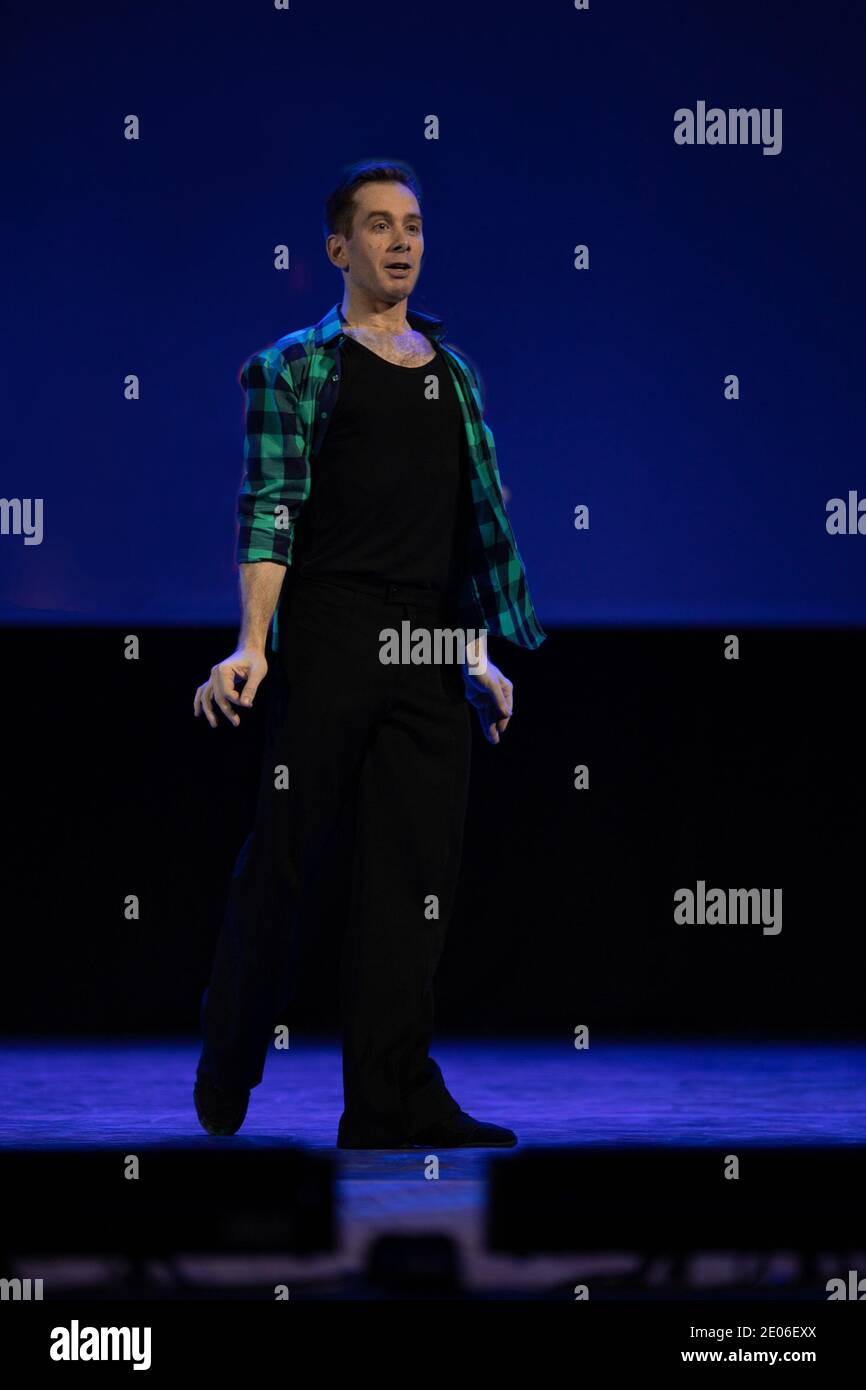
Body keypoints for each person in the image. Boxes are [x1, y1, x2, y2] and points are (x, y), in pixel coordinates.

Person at [192, 158, 546, 1147]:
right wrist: (251, 644)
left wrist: (472, 655)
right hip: (331, 626)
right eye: (378, 226)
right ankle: (229, 1051)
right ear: (336, 247)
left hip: (426, 633)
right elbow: (268, 510)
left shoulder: (455, 373)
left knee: (411, 879)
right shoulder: (295, 366)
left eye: (414, 226)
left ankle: (388, 1098)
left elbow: (467, 534)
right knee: (285, 864)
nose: (401, 243)